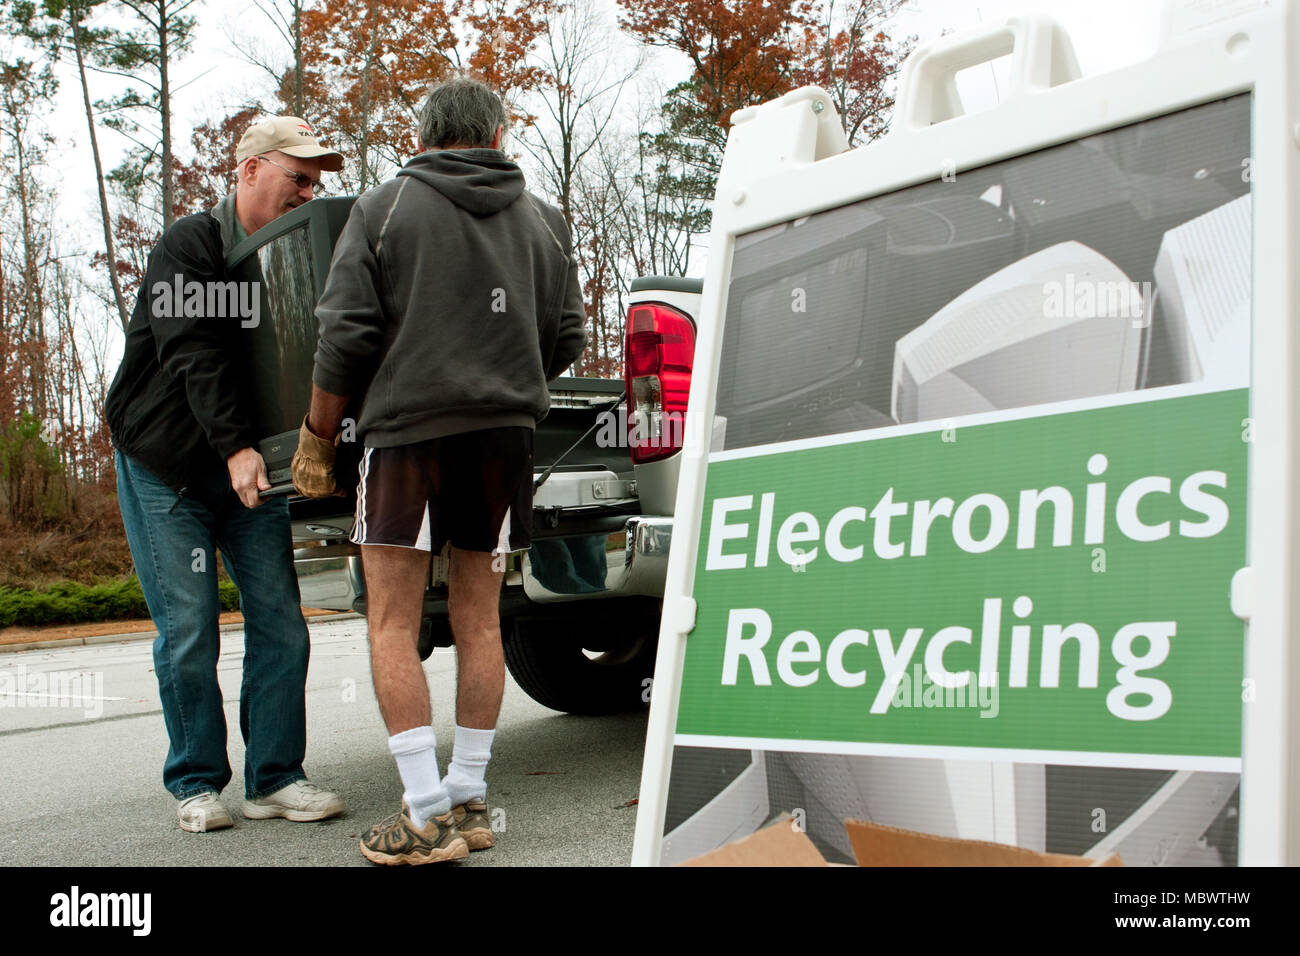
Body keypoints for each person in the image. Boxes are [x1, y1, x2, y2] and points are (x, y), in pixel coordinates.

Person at [292, 76, 586, 865]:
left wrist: (320, 436)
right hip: (503, 442)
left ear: (421, 138)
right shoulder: (546, 221)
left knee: (391, 619)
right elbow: (566, 338)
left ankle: (424, 814)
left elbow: (344, 334)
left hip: (407, 436)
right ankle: (468, 799)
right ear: (497, 136)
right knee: (481, 618)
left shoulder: (384, 209)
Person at [106, 116, 348, 833]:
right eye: (295, 176)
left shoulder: (289, 262)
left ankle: (274, 778)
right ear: (247, 170)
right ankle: (196, 783)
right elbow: (193, 353)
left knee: (281, 621)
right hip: (168, 467)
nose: (306, 191)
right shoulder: (189, 245)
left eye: (314, 182)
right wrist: (237, 448)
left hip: (249, 474)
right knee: (190, 628)